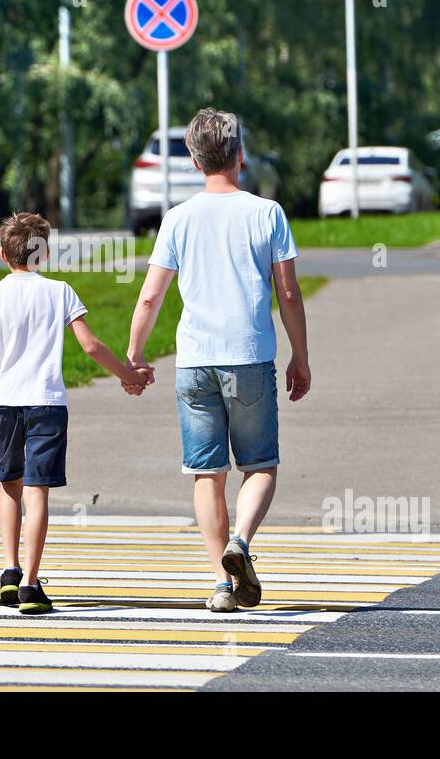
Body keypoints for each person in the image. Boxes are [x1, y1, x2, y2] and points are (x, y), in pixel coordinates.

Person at [124, 108, 312, 613]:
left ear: (193, 159)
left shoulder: (177, 219)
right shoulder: (267, 214)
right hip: (249, 356)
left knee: (207, 476)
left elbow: (149, 298)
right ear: (241, 155)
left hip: (194, 363)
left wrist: (134, 356)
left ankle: (221, 587)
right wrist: (301, 356)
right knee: (261, 466)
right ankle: (242, 545)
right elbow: (289, 295)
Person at [0, 212, 151, 614]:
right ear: (44, 253)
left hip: (3, 403)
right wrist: (128, 375)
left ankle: (9, 572)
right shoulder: (60, 291)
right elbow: (90, 346)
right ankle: (31, 586)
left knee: (9, 483)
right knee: (38, 492)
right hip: (47, 403)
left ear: (3, 253)